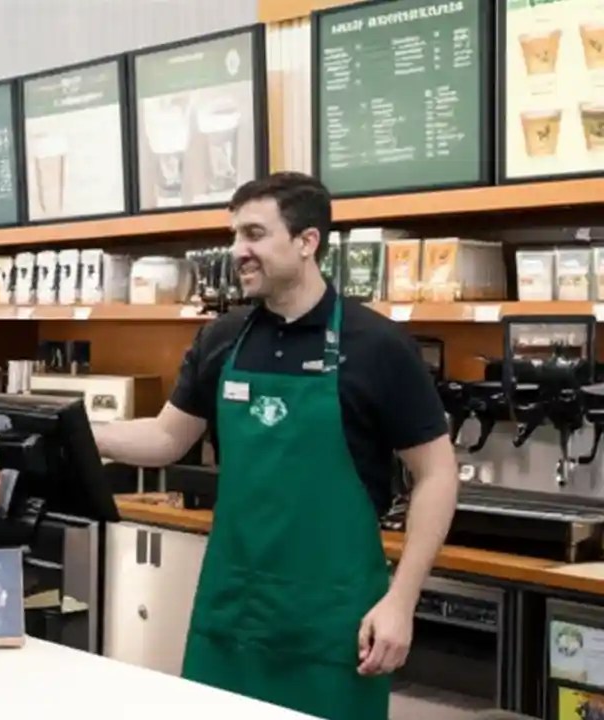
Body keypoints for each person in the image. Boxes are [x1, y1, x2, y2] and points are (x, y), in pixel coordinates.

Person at [93, 172, 458, 719]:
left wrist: (401, 600)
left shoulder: (378, 346)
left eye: (255, 234)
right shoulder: (223, 338)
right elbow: (169, 437)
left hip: (333, 624)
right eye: (236, 235)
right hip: (231, 614)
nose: (238, 251)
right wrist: (77, 430)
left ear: (307, 242)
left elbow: (437, 474)